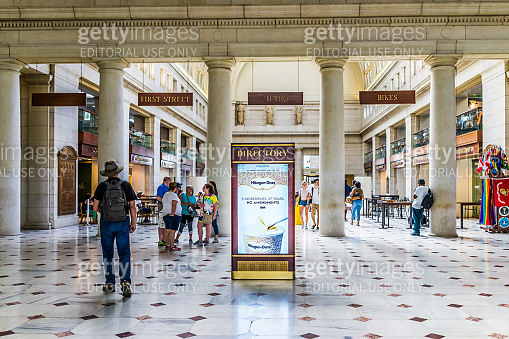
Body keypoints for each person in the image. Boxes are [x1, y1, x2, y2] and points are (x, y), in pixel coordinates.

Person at [93, 160, 137, 297]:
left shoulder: (101, 187)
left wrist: (107, 212)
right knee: (124, 253)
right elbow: (132, 207)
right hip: (123, 222)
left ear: (107, 174)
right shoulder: (126, 185)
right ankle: (125, 281)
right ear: (117, 172)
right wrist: (133, 223)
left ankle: (110, 283)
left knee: (108, 254)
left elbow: (95, 208)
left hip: (106, 223)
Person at [162, 182, 182, 251]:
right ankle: (172, 245)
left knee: (167, 230)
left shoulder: (165, 194)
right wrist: (173, 214)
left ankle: (167, 245)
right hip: (173, 215)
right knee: (172, 231)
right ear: (175, 188)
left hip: (165, 214)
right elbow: (174, 204)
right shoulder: (173, 195)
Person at [156, 177, 171, 246]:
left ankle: (165, 239)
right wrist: (165, 202)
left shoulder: (167, 188)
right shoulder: (161, 187)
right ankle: (160, 239)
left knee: (166, 223)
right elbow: (158, 197)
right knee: (161, 223)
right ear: (167, 181)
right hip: (162, 206)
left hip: (167, 207)